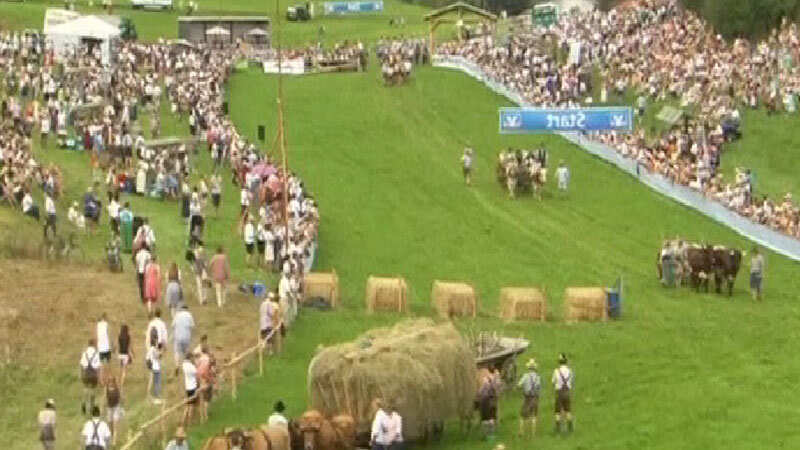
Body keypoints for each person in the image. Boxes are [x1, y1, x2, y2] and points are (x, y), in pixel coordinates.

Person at [517, 358, 541, 438]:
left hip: (527, 398)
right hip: (535, 397)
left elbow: (519, 385)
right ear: (535, 368)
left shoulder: (525, 376)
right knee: (534, 416)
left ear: (528, 368)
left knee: (522, 415)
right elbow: (538, 387)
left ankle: (521, 432)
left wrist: (523, 387)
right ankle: (533, 434)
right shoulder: (538, 377)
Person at [552, 353, 574, 434]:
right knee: (568, 410)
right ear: (566, 362)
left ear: (559, 362)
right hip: (567, 392)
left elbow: (553, 382)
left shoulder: (556, 371)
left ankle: (558, 429)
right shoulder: (570, 371)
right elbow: (571, 381)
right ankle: (570, 428)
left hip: (559, 392)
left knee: (557, 411)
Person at [80, 339, 101, 416]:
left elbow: (82, 365)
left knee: (85, 389)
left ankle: (84, 404)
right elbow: (98, 367)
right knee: (93, 391)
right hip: (93, 374)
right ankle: (91, 408)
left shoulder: (85, 353)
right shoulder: (96, 353)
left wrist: (82, 375)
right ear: (94, 344)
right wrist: (99, 377)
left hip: (86, 373)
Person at [477, 370, 499, 440]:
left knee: (485, 420)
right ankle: (490, 436)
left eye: (485, 378)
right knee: (491, 419)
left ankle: (486, 436)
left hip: (484, 403)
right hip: (490, 403)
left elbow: (479, 394)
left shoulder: (483, 386)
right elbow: (496, 392)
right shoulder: (492, 385)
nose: (484, 379)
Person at [173, 304, 195, 370]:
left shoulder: (177, 315)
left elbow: (173, 325)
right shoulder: (189, 315)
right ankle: (185, 366)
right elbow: (192, 326)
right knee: (186, 352)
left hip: (178, 336)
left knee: (177, 351)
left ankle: (177, 365)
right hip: (186, 337)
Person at [105, 376, 124, 446]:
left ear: (114, 382)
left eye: (111, 382)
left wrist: (122, 406)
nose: (110, 384)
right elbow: (105, 398)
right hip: (109, 408)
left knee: (115, 424)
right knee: (110, 425)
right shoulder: (106, 389)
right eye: (109, 382)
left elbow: (121, 398)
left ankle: (114, 442)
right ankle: (111, 439)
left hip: (116, 407)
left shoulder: (117, 389)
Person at [182, 353, 198, 424]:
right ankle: (190, 421)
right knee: (192, 405)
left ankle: (183, 421)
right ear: (190, 358)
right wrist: (194, 364)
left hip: (187, 387)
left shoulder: (184, 365)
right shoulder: (191, 366)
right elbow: (196, 373)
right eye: (192, 358)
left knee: (188, 404)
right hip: (192, 387)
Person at [117, 324, 134, 390]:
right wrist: (132, 353)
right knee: (124, 370)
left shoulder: (119, 336)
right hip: (126, 355)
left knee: (120, 369)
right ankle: (121, 383)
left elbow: (118, 345)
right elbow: (129, 346)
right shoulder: (128, 337)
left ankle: (118, 381)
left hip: (120, 354)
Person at [96, 313, 111, 384]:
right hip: (106, 347)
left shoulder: (98, 325)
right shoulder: (106, 324)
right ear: (105, 318)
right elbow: (109, 334)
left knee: (101, 364)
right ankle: (107, 379)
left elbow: (97, 335)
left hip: (100, 347)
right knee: (107, 364)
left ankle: (101, 380)